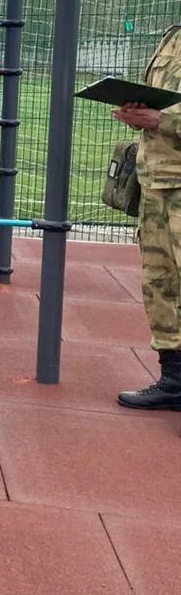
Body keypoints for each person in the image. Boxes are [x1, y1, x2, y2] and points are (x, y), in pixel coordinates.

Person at [111, 29, 181, 412]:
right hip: (156, 182)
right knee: (160, 286)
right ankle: (174, 382)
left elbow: (165, 116)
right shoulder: (173, 36)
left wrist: (161, 120)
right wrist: (137, 114)